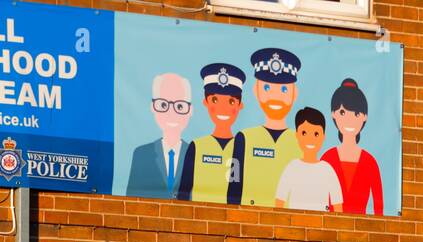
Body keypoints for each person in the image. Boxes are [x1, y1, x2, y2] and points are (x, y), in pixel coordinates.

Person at [227, 48, 302, 207]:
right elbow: (233, 185)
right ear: (256, 91)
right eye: (267, 88)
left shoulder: (302, 140)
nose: (276, 98)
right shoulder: (244, 138)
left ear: (294, 94)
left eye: (284, 89)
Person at [176, 63, 245, 204]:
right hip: (200, 217)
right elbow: (184, 191)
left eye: (231, 101)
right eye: (215, 100)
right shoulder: (197, 146)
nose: (223, 109)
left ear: (240, 106)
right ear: (205, 102)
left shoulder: (242, 146)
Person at [320, 78, 384, 215]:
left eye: (356, 114)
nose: (349, 120)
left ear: (364, 117)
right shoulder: (327, 159)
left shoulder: (370, 162)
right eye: (342, 112)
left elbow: (379, 206)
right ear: (333, 114)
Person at [126, 73, 192, 199]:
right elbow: (131, 197)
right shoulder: (142, 154)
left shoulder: (194, 154)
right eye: (163, 105)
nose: (171, 113)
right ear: (153, 107)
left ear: (190, 110)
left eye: (179, 106)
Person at [274, 107, 343, 212]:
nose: (310, 139)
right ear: (297, 134)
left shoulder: (327, 169)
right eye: (304, 133)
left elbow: (338, 205)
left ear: (323, 137)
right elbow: (279, 201)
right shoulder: (292, 167)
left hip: (321, 225)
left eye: (316, 134)